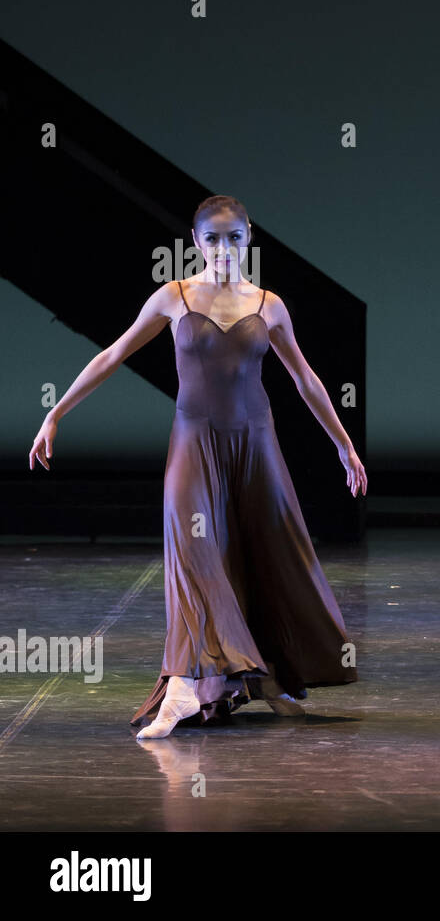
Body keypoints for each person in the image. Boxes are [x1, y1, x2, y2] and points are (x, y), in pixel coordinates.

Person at [28, 196, 365, 738]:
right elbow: (113, 354)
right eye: (213, 238)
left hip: (255, 444)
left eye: (234, 238)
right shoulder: (174, 296)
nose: (224, 248)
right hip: (193, 441)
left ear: (248, 237)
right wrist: (56, 413)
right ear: (196, 241)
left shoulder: (270, 305)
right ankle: (184, 685)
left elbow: (305, 378)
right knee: (192, 555)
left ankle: (267, 678)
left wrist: (344, 445)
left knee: (268, 554)